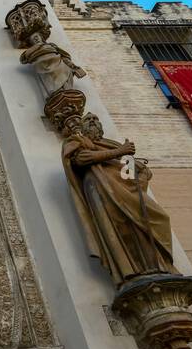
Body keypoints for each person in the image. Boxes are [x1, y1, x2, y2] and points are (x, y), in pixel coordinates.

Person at [60, 113, 174, 285]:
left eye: (95, 119)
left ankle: (158, 265)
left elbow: (131, 170)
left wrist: (139, 177)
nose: (92, 122)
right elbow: (83, 159)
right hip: (101, 187)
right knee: (121, 227)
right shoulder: (77, 141)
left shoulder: (111, 144)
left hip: (126, 190)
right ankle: (134, 270)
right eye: (88, 120)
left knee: (158, 219)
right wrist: (120, 151)